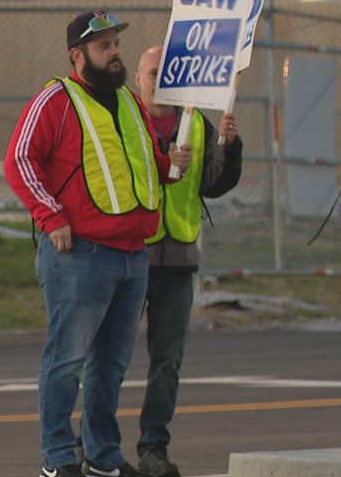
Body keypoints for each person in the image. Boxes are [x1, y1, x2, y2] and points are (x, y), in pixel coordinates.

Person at [4, 11, 192, 477]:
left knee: (110, 365)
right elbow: (19, 161)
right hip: (80, 254)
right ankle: (58, 458)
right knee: (66, 360)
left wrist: (172, 167)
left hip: (133, 254)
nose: (115, 53)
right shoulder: (56, 99)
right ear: (78, 55)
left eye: (115, 44)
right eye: (104, 46)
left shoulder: (129, 101)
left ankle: (103, 458)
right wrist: (51, 217)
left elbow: (147, 163)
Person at [131, 46, 244, 477]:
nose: (159, 79)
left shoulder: (195, 122)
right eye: (153, 71)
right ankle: (95, 444)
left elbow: (213, 183)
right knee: (110, 357)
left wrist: (228, 148)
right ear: (138, 78)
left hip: (178, 258)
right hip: (130, 255)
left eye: (167, 72)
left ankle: (153, 447)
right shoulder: (126, 118)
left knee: (167, 361)